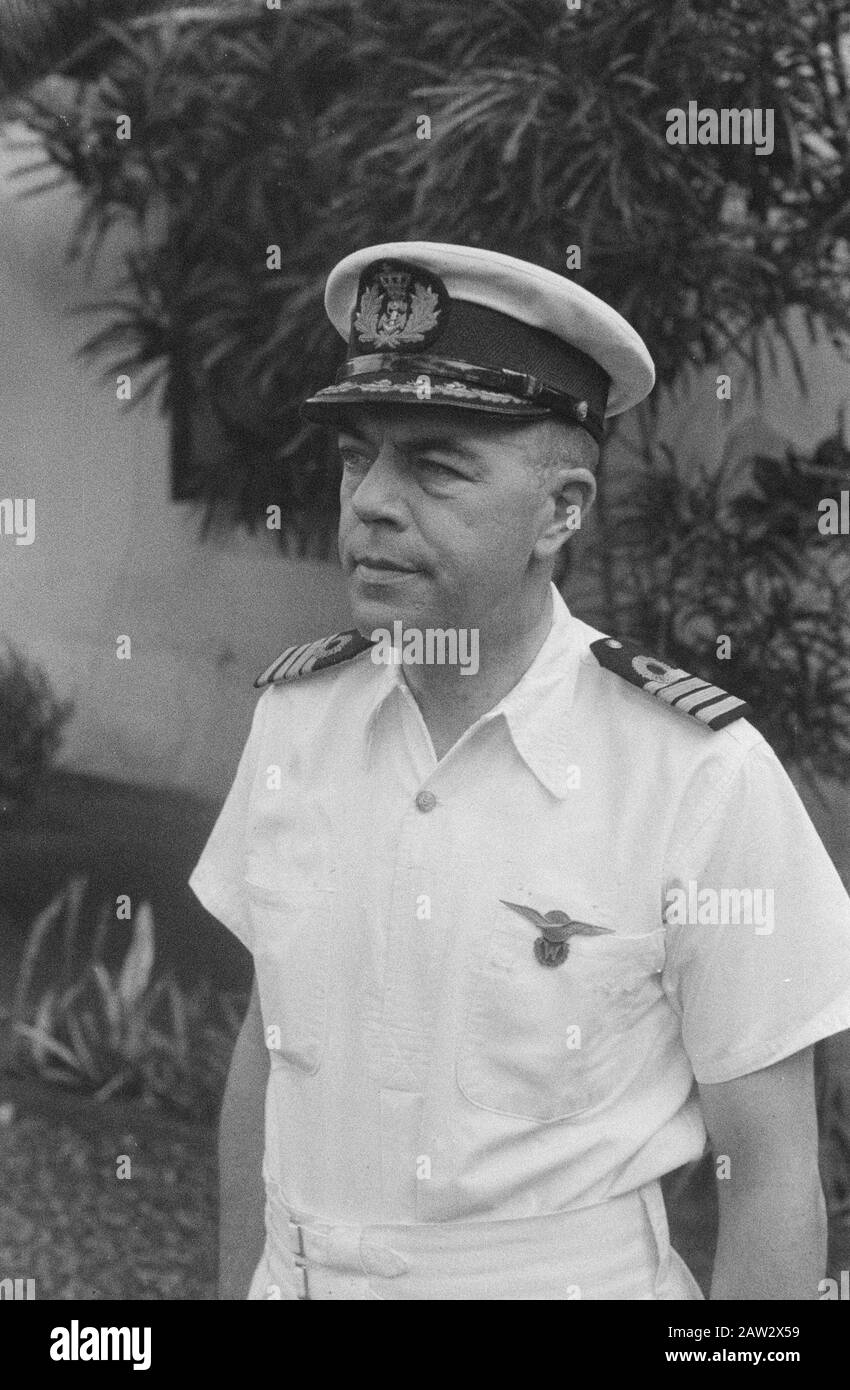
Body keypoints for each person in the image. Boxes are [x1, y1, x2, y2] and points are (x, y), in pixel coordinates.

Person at [189, 241, 850, 1300]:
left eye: (437, 465)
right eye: (360, 456)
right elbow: (267, 1055)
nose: (371, 503)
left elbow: (770, 1179)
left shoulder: (691, 775)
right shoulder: (298, 722)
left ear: (560, 510)